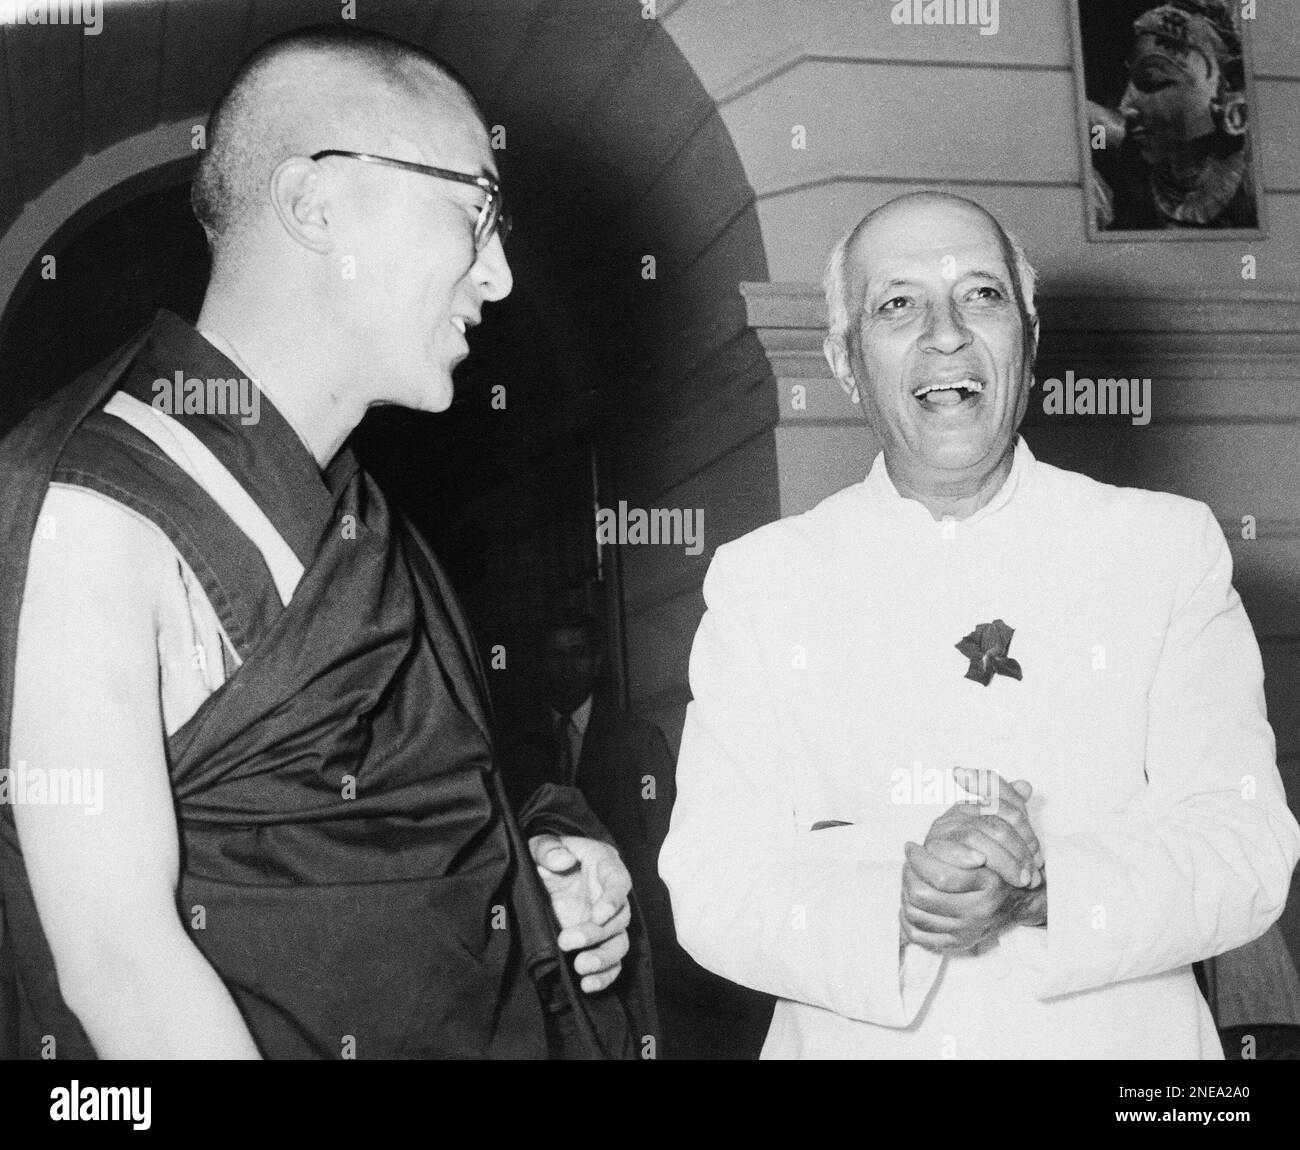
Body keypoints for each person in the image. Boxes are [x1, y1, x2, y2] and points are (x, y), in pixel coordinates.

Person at [0, 25, 654, 1059]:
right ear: (317, 205)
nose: (502, 276)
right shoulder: (101, 504)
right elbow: (120, 966)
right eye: (478, 215)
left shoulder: (355, 512)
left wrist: (543, 857)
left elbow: (421, 822)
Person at [659, 189, 1300, 1059]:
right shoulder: (763, 582)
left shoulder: (1163, 548)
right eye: (897, 305)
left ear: (1028, 343)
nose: (947, 334)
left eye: (982, 295)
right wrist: (897, 904)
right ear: (844, 362)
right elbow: (710, 883)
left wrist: (1046, 893)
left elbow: (1248, 849)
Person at [501, 616, 772, 1057]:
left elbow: (667, 853)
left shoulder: (636, 740)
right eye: (556, 655)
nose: (568, 667)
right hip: (554, 954)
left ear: (597, 662)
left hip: (642, 952)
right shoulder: (517, 753)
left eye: (579, 653)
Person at [1088, 0, 1256, 230]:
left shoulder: (1255, 192)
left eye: (1154, 80)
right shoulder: (1128, 162)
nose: (1126, 105)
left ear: (1228, 86)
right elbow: (1096, 124)